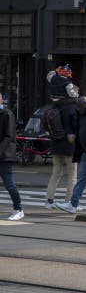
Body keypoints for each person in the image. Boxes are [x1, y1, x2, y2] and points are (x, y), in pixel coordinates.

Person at [43, 72, 79, 208]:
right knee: (72, 175)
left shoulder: (54, 107)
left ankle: (49, 200)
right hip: (69, 146)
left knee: (56, 173)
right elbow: (75, 127)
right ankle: (69, 202)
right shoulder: (72, 108)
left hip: (55, 143)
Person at [0, 92, 24, 220]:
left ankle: (18, 208)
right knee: (8, 183)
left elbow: (8, 136)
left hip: (5, 154)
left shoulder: (7, 114)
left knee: (9, 183)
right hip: (3, 153)